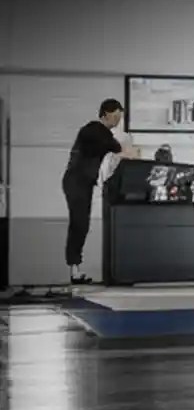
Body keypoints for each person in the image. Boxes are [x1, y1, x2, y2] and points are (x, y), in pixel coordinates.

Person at [62, 98, 138, 284]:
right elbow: (116, 147)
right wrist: (129, 151)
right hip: (76, 182)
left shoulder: (100, 133)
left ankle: (75, 269)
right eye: (117, 116)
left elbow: (114, 148)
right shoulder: (94, 129)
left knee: (82, 224)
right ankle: (74, 267)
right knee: (79, 223)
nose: (119, 121)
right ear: (107, 114)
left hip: (83, 183)